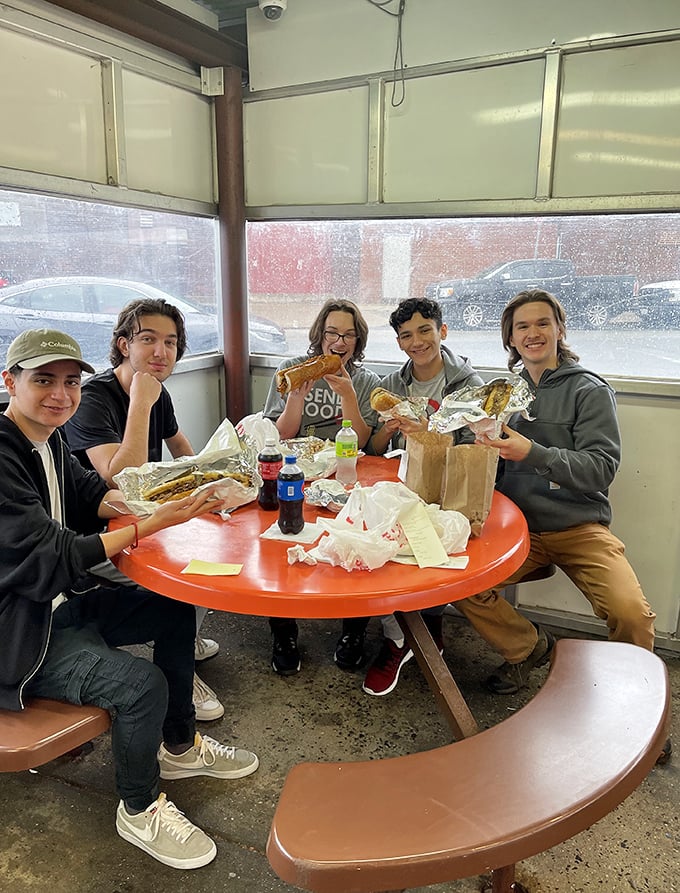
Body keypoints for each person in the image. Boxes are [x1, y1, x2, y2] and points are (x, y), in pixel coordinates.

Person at [0, 328, 259, 869]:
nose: (60, 394)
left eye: (70, 382)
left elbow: (94, 494)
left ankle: (179, 747)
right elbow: (55, 554)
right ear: (10, 381)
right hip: (20, 635)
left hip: (59, 605)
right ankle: (139, 809)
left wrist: (166, 500)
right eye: (43, 380)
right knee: (142, 685)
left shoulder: (46, 439)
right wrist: (154, 523)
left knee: (172, 605)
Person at [456, 288, 658, 691]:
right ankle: (527, 648)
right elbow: (488, 468)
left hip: (579, 528)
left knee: (631, 613)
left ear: (559, 330)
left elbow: (600, 470)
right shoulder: (500, 395)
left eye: (542, 323)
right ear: (511, 338)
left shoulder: (589, 391)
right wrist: (473, 448)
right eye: (522, 327)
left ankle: (637, 699)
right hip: (517, 531)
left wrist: (532, 452)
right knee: (460, 585)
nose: (533, 333)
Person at [63, 298, 224, 722]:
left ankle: (183, 638)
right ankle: (180, 665)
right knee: (189, 574)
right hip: (98, 539)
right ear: (123, 345)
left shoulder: (156, 392)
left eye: (170, 342)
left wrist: (214, 485)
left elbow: (182, 448)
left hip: (145, 520)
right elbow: (119, 478)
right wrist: (139, 402)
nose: (161, 351)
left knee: (219, 549)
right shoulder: (92, 399)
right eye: (148, 339)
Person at [351, 298, 484, 695]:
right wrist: (388, 430)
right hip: (402, 484)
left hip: (450, 492)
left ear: (442, 331)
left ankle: (407, 636)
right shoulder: (391, 386)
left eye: (425, 330)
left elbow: (473, 449)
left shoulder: (468, 385)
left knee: (424, 552)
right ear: (399, 342)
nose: (417, 341)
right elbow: (373, 450)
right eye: (407, 335)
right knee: (373, 536)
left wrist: (427, 430)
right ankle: (411, 632)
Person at [262, 298, 381, 675]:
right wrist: (296, 398)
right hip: (296, 473)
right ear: (320, 335)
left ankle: (353, 632)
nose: (339, 342)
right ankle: (283, 632)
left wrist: (348, 395)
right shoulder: (290, 370)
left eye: (348, 335)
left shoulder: (367, 381)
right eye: (332, 333)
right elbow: (279, 436)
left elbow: (363, 441)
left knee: (354, 545)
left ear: (358, 341)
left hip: (344, 475)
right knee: (281, 546)